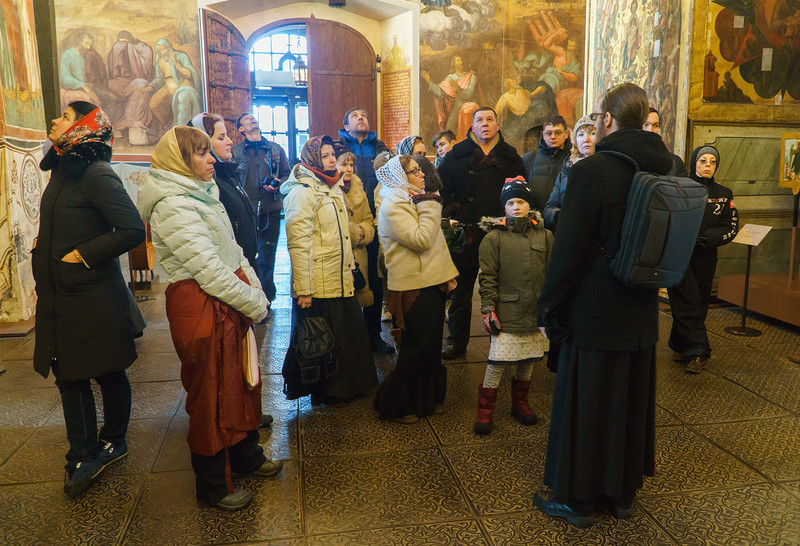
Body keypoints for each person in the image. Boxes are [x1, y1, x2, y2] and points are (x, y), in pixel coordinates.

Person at [535, 83, 674, 527]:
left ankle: (576, 501)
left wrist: (548, 309)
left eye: (598, 116)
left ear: (608, 120)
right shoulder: (667, 167)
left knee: (588, 402)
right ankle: (622, 495)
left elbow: (568, 253)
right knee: (629, 402)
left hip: (593, 314)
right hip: (640, 311)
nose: (595, 123)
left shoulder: (592, 172)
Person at [137, 126, 282, 512]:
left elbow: (231, 251)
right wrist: (252, 302)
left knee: (241, 380)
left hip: (226, 296)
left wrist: (255, 289)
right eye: (201, 154)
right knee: (212, 392)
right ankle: (213, 483)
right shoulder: (172, 203)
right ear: (181, 161)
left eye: (208, 152)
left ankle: (244, 456)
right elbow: (208, 269)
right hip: (201, 303)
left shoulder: (202, 191)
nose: (212, 160)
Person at [34, 101, 145, 498]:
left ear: (82, 127)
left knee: (107, 370)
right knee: (70, 374)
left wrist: (82, 254)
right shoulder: (65, 167)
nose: (54, 121)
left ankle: (113, 440)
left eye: (63, 116)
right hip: (61, 295)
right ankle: (82, 452)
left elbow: (131, 228)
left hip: (91, 294)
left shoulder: (96, 172)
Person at [281, 136, 378, 405]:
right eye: (325, 156)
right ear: (313, 159)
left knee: (347, 335)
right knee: (322, 338)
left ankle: (346, 388)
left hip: (340, 275)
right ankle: (328, 392)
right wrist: (304, 289)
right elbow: (298, 243)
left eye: (332, 154)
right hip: (319, 281)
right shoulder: (303, 191)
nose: (332, 159)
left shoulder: (331, 185)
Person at [373, 155, 458, 423]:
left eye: (420, 169)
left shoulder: (413, 199)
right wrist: (432, 204)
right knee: (417, 347)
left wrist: (447, 275)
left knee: (432, 345)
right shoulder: (392, 205)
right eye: (413, 171)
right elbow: (422, 240)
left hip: (432, 280)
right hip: (414, 286)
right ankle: (395, 404)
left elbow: (435, 244)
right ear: (400, 176)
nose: (421, 175)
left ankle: (428, 398)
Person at [438, 107, 525, 359]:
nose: (485, 124)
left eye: (489, 120)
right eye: (479, 120)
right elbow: (442, 188)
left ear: (497, 125)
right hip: (466, 231)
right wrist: (458, 210)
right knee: (461, 291)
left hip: (500, 231)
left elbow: (521, 191)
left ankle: (502, 338)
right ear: (472, 126)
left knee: (501, 288)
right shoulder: (456, 155)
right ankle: (457, 341)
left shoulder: (510, 157)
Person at [475, 178, 553, 434]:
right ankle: (485, 410)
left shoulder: (545, 235)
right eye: (510, 202)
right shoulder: (494, 238)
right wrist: (489, 309)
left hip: (535, 311)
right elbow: (488, 277)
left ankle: (520, 403)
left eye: (520, 201)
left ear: (529, 204)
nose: (516, 206)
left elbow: (552, 273)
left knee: (528, 360)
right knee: (497, 362)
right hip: (507, 310)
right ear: (504, 208)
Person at [668, 145, 738, 374]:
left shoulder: (724, 193)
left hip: (706, 257)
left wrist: (707, 238)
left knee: (698, 302)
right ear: (694, 163)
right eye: (703, 161)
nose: (708, 165)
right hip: (680, 255)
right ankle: (700, 350)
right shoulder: (681, 187)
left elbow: (731, 226)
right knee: (686, 301)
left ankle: (679, 345)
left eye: (712, 162)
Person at [336, 108, 394, 354]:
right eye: (355, 116)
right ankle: (349, 337)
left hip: (373, 220)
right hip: (345, 219)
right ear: (346, 126)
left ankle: (373, 335)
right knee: (348, 279)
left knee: (374, 278)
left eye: (364, 115)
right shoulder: (337, 148)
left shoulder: (381, 148)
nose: (362, 117)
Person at [231, 113, 291, 306]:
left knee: (267, 255)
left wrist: (278, 183)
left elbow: (287, 175)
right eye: (246, 119)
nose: (252, 119)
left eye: (253, 117)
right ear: (241, 129)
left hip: (270, 209)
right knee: (247, 255)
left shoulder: (275, 149)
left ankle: (265, 298)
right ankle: (251, 296)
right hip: (244, 212)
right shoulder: (236, 151)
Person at [542, 115, 596, 231]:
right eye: (580, 134)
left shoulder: (607, 167)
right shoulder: (567, 170)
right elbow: (550, 207)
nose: (586, 139)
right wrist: (559, 216)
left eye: (592, 133)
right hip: (570, 233)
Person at [336, 151, 375, 309]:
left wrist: (359, 232)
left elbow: (368, 221)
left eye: (351, 164)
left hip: (358, 256)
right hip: (339, 259)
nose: (349, 169)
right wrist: (349, 233)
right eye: (344, 164)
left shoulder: (360, 191)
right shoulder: (329, 192)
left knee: (356, 309)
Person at [106, 31, 154, 142]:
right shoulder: (119, 49)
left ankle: (124, 123)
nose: (121, 45)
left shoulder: (143, 48)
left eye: (124, 42)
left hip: (140, 79)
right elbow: (115, 69)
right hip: (126, 81)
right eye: (120, 42)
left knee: (140, 87)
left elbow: (145, 72)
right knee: (110, 84)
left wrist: (131, 50)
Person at [144, 39, 202, 127]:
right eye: (160, 51)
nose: (163, 52)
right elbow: (159, 79)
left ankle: (181, 126)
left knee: (182, 100)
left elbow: (189, 74)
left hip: (182, 86)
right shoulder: (159, 62)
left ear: (169, 47)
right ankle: (168, 126)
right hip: (168, 89)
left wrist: (175, 62)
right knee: (154, 104)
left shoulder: (181, 56)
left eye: (164, 49)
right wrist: (151, 86)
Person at [523, 115, 572, 212]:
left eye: (558, 133)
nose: (553, 137)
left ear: (566, 134)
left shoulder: (573, 159)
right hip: (535, 218)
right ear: (543, 135)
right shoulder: (529, 159)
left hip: (562, 217)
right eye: (548, 133)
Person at [642, 107, 688, 176]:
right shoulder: (629, 160)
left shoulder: (674, 162)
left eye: (655, 125)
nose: (650, 130)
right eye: (646, 125)